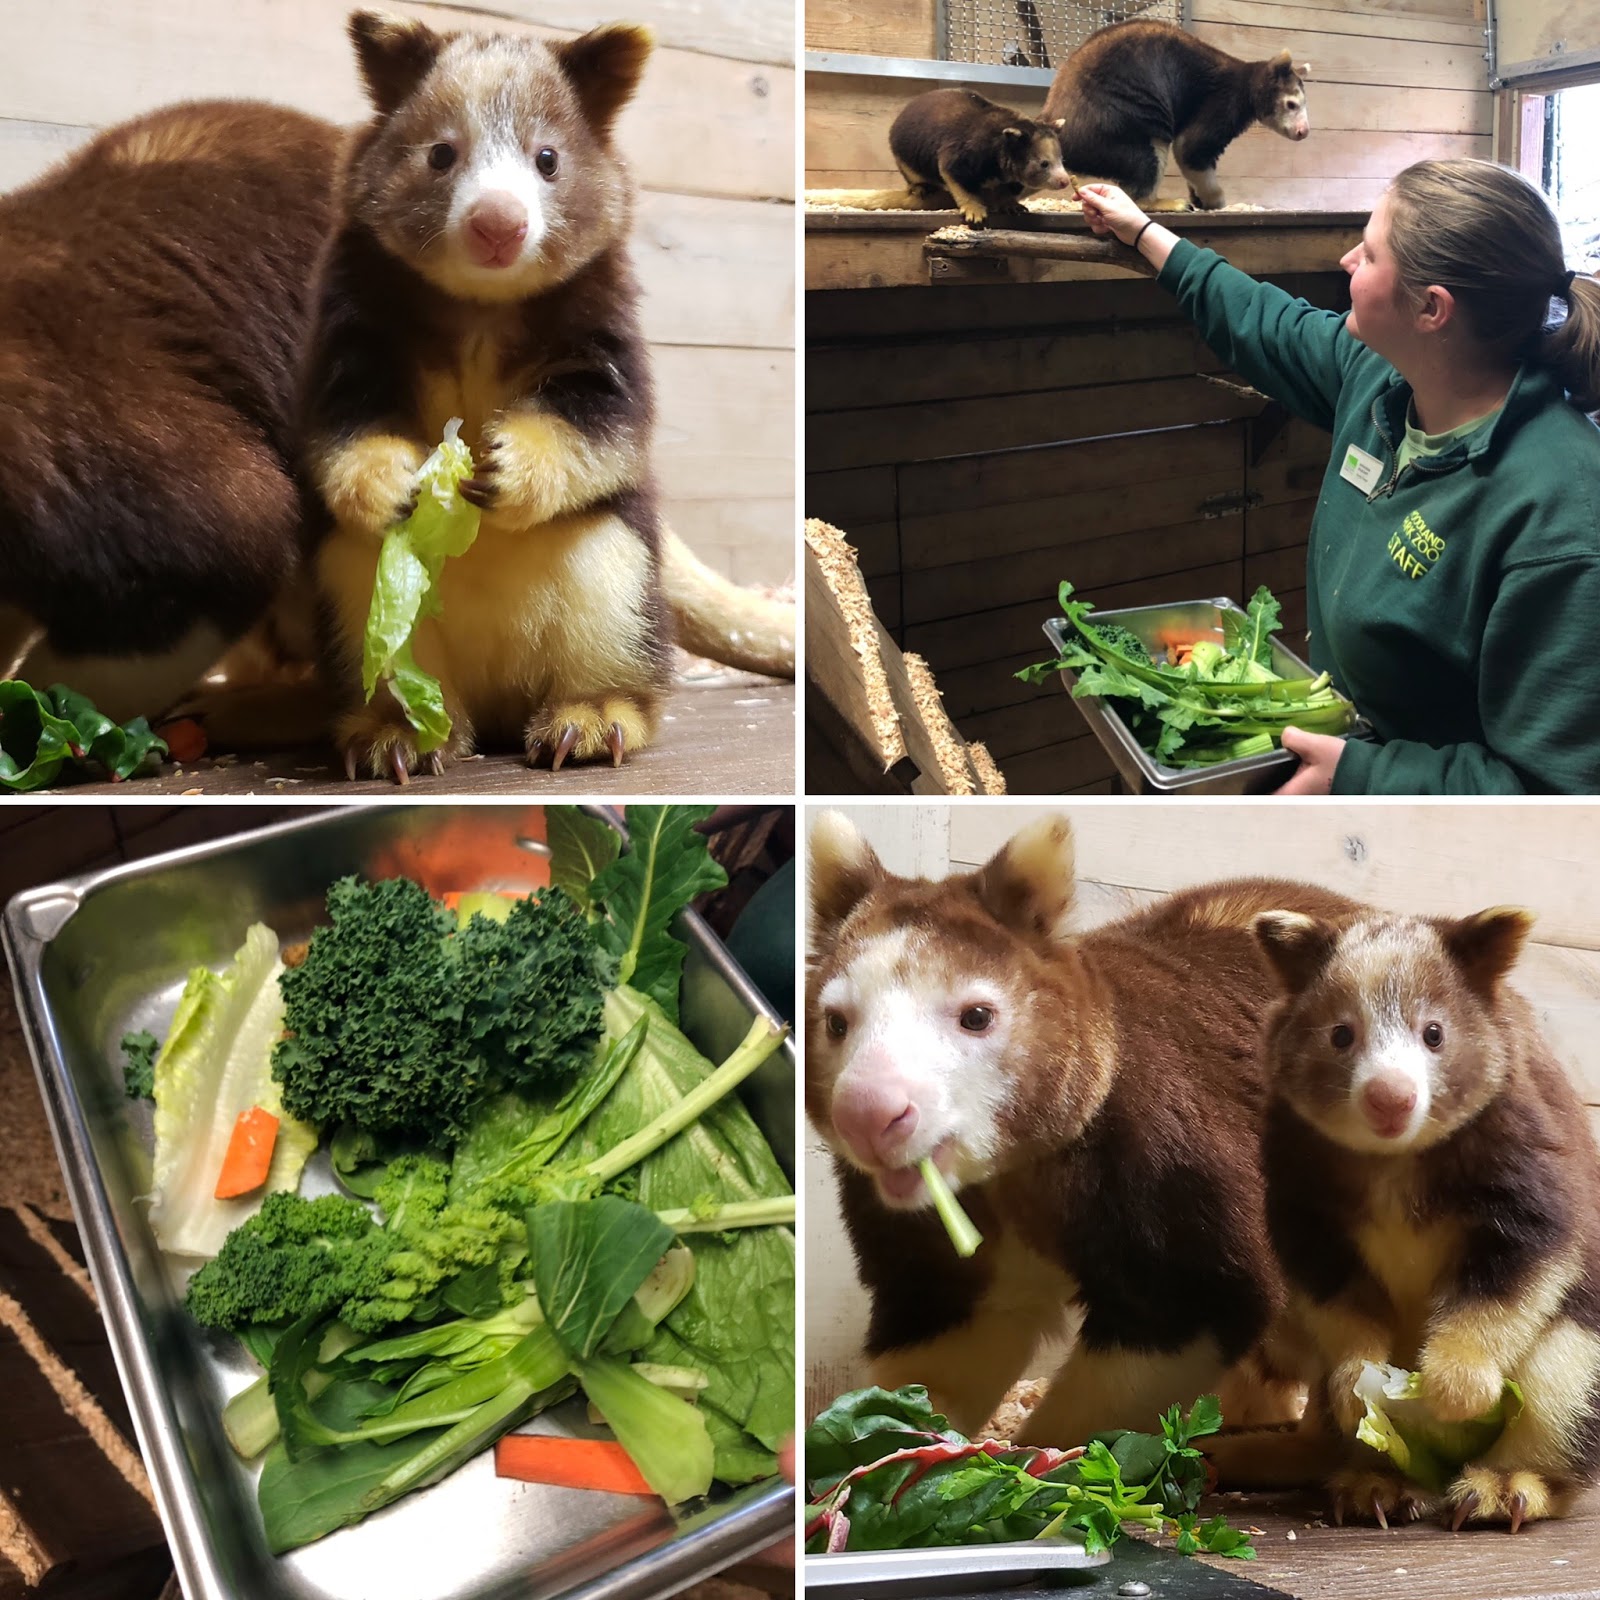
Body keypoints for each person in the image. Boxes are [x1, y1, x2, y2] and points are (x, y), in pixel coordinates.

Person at [1077, 160, 1600, 794]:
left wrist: (1358, 776)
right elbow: (1266, 322)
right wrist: (1143, 232)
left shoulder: (1562, 515)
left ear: (1431, 308)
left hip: (1433, 832)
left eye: (1371, 253)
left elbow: (1555, 793)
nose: (1347, 259)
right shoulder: (1385, 379)